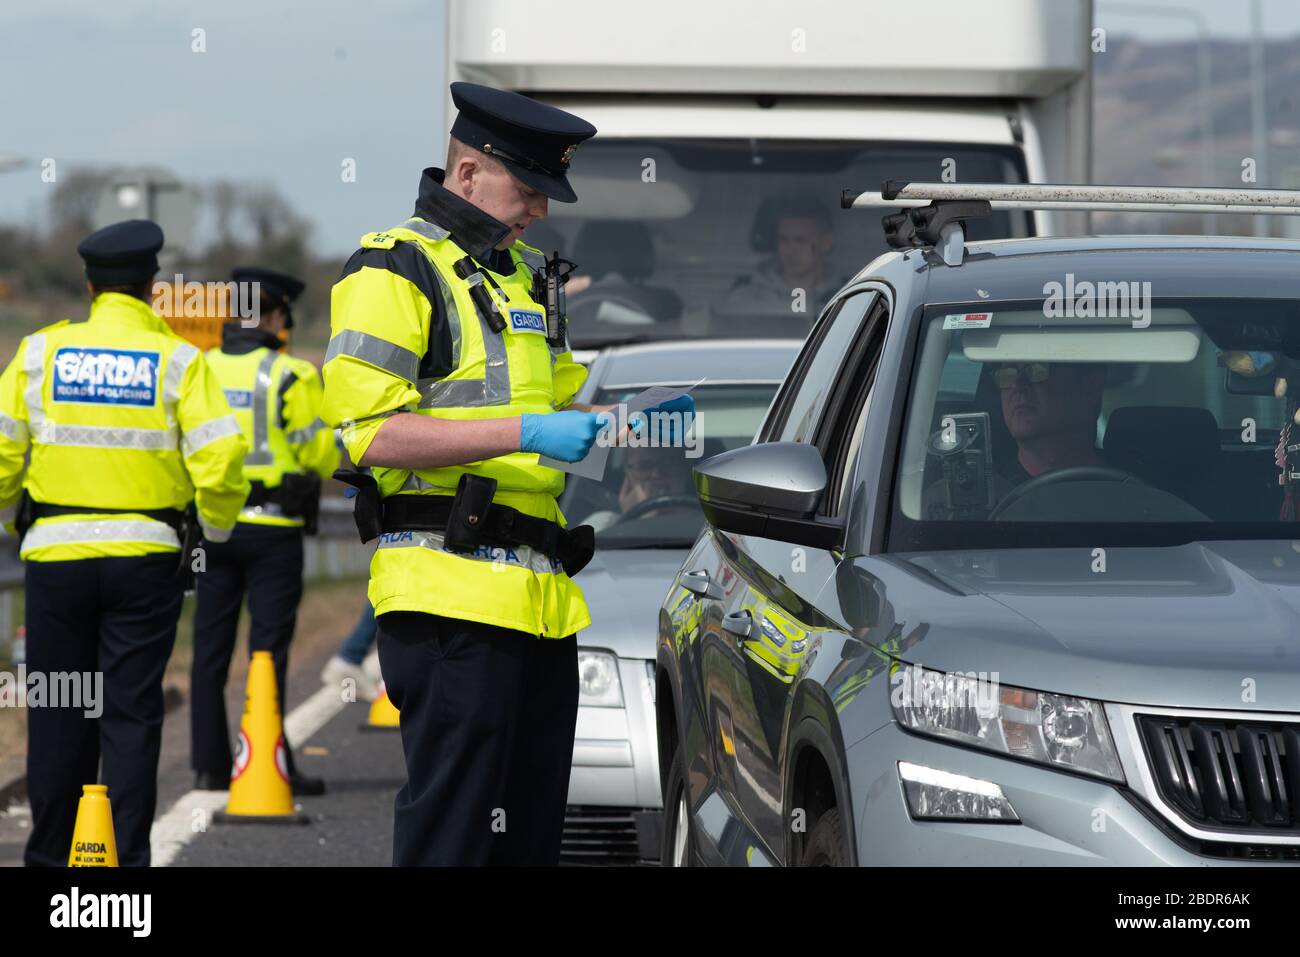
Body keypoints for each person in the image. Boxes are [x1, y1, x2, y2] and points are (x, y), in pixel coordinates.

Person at [320, 81, 692, 866]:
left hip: (540, 599)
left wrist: (618, 420)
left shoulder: (523, 276)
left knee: (526, 844)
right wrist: (527, 431)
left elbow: (553, 403)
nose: (541, 210)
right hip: (449, 591)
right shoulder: (394, 270)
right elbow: (368, 434)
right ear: (467, 177)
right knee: (452, 840)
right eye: (529, 190)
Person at [0, 220, 249, 865]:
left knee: (60, 713)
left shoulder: (37, 354)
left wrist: (13, 521)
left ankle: (53, 867)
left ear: (89, 286)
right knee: (131, 714)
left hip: (55, 559)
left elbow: (2, 454)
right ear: (153, 287)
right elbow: (221, 461)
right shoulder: (180, 361)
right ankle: (125, 873)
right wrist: (214, 531)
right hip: (146, 558)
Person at [190, 267, 340, 795]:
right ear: (276, 317)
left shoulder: (198, 368)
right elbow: (318, 455)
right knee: (267, 650)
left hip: (214, 529)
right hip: (274, 531)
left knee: (209, 649)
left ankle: (208, 768)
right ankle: (271, 762)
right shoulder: (291, 375)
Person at [720, 194, 842, 321]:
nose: (791, 250)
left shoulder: (847, 298)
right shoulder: (743, 297)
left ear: (826, 242)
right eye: (784, 240)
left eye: (801, 241)